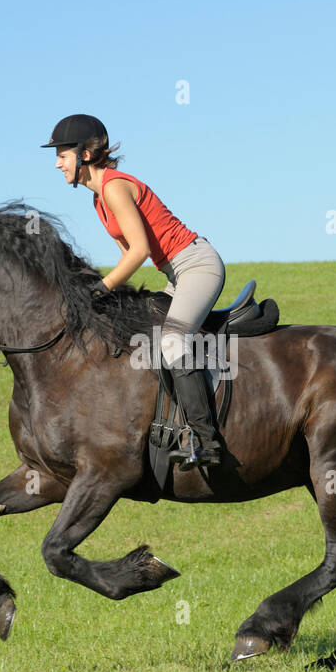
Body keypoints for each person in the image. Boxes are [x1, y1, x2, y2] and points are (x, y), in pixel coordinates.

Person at [42, 114, 226, 469]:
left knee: (172, 342)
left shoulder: (113, 187)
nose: (57, 163)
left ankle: (208, 442)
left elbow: (139, 251)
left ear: (84, 154)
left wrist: (100, 289)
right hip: (175, 272)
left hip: (197, 266)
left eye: (62, 155)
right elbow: (130, 253)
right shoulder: (98, 199)